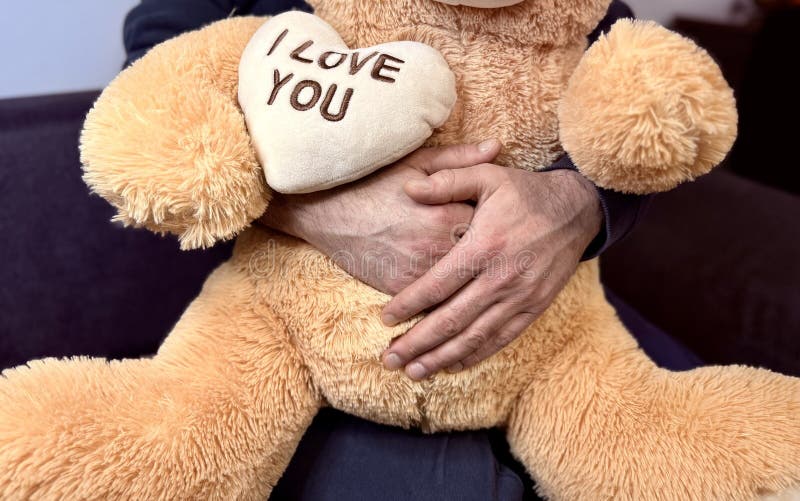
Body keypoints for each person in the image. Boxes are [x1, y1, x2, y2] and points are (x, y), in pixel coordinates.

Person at [123, 1, 700, 499]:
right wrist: (311, 200)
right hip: (300, 317)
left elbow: (633, 86)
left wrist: (579, 200)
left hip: (547, 322)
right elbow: (160, 83)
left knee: (685, 441)